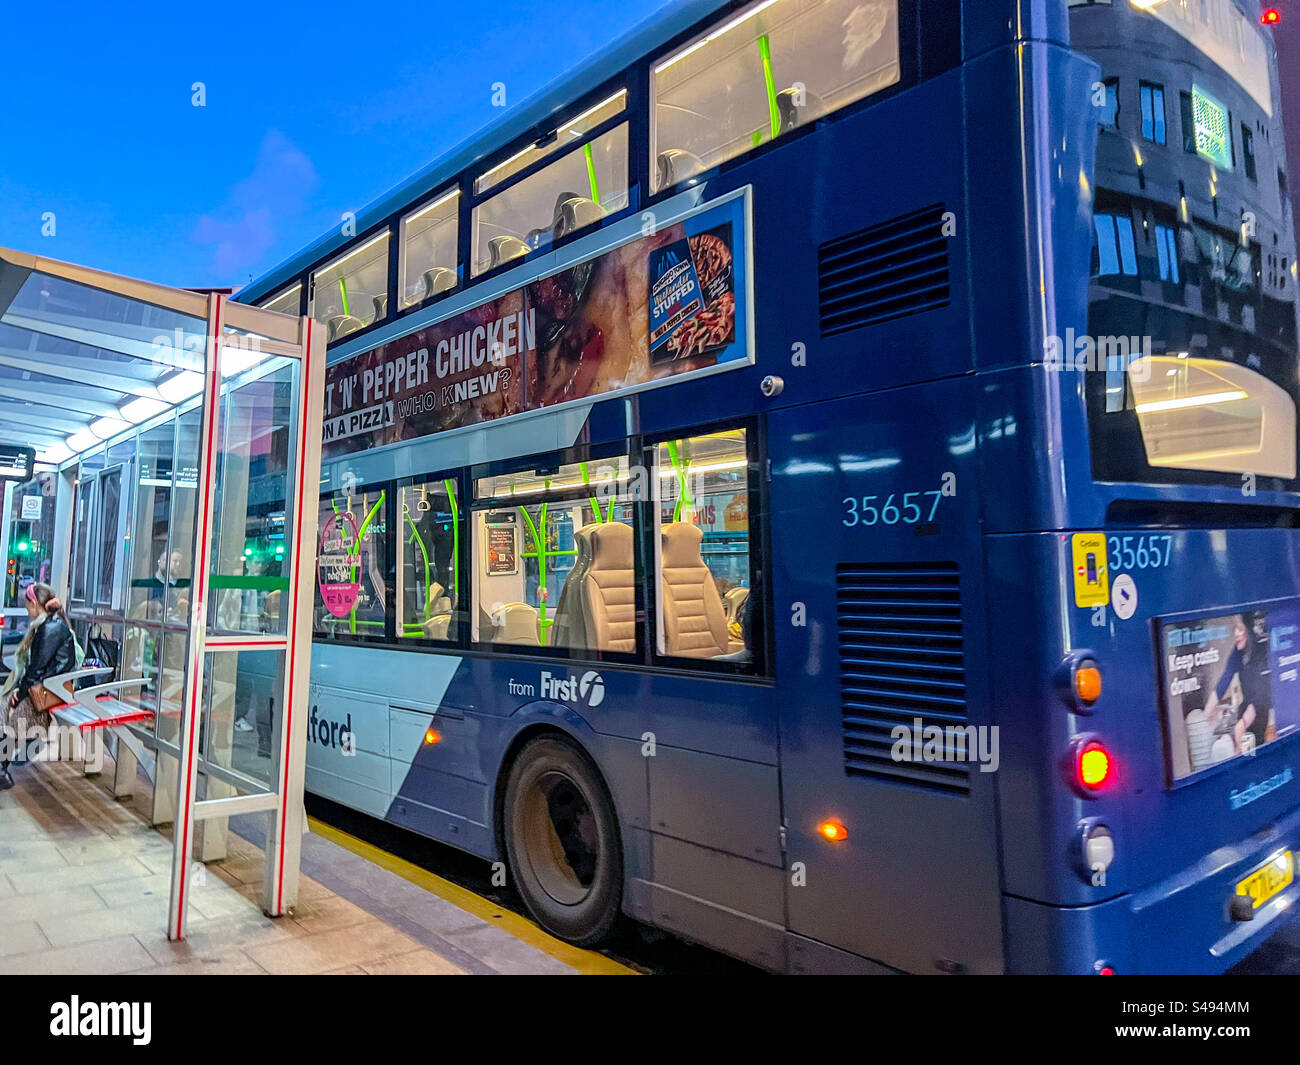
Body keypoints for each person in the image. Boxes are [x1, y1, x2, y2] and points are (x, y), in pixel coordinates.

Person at [0, 583, 76, 788]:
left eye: (26, 604)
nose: (25, 610)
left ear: (34, 604)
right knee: (5, 705)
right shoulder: (50, 625)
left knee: (13, 710)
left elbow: (36, 670)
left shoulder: (50, 628)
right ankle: (1, 766)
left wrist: (21, 693)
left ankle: (1, 768)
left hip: (50, 691)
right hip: (48, 687)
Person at [1205, 613, 1273, 757]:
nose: (1236, 633)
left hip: (1259, 711)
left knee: (1250, 753)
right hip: (1246, 707)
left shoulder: (1261, 653)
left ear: (1250, 630)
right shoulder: (1238, 652)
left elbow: (1261, 696)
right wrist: (1206, 716)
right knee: (1241, 751)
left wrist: (1242, 724)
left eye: (1240, 629)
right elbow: (1225, 679)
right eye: (1235, 628)